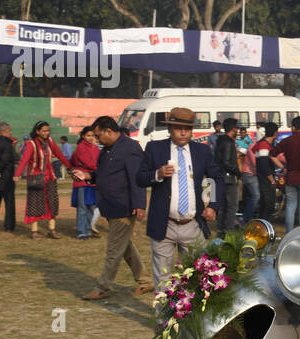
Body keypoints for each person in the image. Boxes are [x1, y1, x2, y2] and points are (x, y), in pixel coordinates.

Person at [136, 106, 221, 289]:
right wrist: (157, 174)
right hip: (163, 224)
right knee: (163, 278)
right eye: (178, 128)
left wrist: (213, 205)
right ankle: (164, 309)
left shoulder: (202, 151)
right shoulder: (155, 149)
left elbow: (215, 178)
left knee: (195, 276)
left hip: (192, 224)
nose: (183, 132)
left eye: (187, 129)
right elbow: (140, 178)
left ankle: (188, 308)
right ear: (169, 129)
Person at [81, 115, 154, 300]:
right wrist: (88, 176)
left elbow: (137, 178)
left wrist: (139, 204)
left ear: (108, 131)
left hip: (124, 207)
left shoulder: (130, 148)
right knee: (125, 246)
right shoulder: (107, 150)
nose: (97, 140)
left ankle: (103, 287)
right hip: (110, 206)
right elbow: (104, 174)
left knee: (114, 250)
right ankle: (145, 281)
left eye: (98, 136)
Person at [15, 121, 74, 238]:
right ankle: (34, 231)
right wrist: (17, 174)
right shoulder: (31, 144)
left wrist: (70, 167)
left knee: (52, 203)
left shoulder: (50, 141)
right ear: (37, 132)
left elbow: (59, 154)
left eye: (48, 130)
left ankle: (52, 229)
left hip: (50, 177)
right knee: (35, 204)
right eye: (44, 131)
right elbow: (24, 160)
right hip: (35, 178)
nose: (47, 133)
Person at [274, 115, 300, 231]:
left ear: (293, 127)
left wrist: (283, 167)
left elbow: (272, 154)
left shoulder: (286, 141)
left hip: (290, 178)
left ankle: (289, 233)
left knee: (290, 207)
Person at [213, 117, 243, 235]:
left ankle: (221, 229)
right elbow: (227, 162)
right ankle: (229, 230)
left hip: (221, 177)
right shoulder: (228, 142)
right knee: (232, 206)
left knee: (224, 206)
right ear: (233, 129)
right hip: (229, 178)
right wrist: (238, 173)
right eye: (237, 128)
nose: (238, 130)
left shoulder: (220, 140)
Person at [70, 125, 101, 238]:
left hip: (93, 181)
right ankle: (81, 231)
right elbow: (90, 164)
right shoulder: (81, 147)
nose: (91, 137)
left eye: (92, 135)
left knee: (91, 207)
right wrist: (99, 169)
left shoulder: (95, 148)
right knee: (82, 207)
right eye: (88, 135)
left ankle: (88, 230)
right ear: (83, 136)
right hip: (82, 181)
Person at [251, 122, 279, 220]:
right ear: (275, 133)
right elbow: (264, 165)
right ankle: (263, 225)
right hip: (265, 179)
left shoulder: (263, 143)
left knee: (265, 204)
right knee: (267, 204)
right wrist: (272, 179)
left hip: (263, 177)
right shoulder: (264, 145)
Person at [239, 128, 259, 222]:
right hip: (249, 174)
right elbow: (255, 163)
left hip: (253, 174)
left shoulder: (250, 142)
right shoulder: (252, 146)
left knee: (251, 196)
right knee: (256, 196)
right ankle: (245, 217)